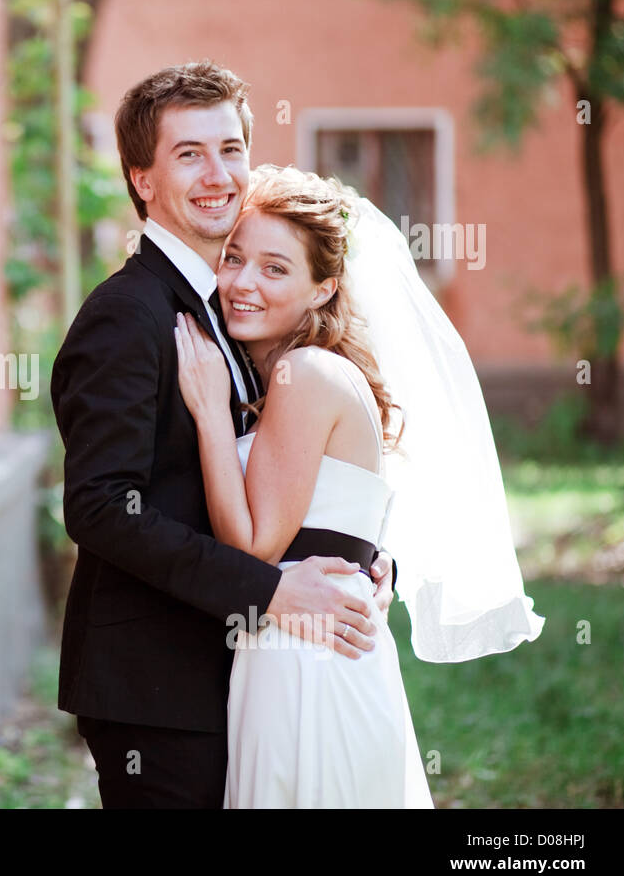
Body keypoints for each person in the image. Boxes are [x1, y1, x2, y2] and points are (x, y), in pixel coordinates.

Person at [50, 62, 397, 809]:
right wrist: (272, 589)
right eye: (189, 154)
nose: (219, 174)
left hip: (234, 671)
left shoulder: (229, 314)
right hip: (156, 687)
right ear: (142, 179)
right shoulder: (129, 315)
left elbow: (289, 471)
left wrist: (351, 555)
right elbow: (102, 508)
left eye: (231, 148)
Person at [175, 163, 544, 807]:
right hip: (296, 648)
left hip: (306, 668)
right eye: (234, 258)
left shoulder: (307, 374)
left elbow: (256, 546)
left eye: (275, 268)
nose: (242, 283)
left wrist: (208, 414)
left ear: (323, 290)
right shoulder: (300, 374)